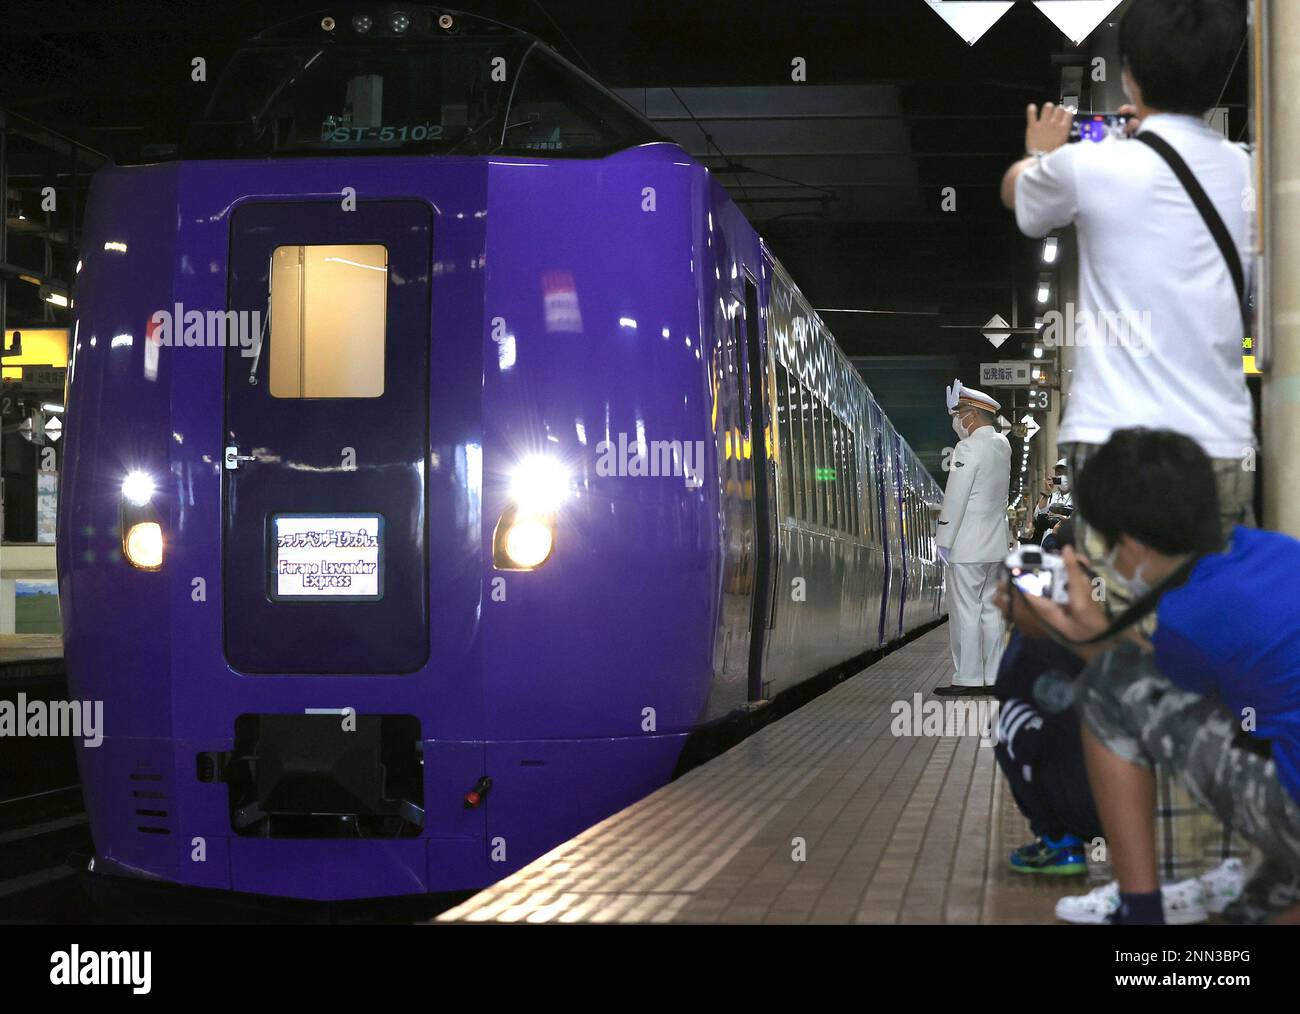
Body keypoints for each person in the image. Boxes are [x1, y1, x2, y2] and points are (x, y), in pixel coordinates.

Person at [1001, 0, 1255, 889]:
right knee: (1211, 662)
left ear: (1130, 79)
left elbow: (1022, 207)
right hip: (1222, 452)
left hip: (1118, 464)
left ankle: (1152, 899)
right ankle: (1210, 866)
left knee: (1121, 666)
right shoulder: (1251, 175)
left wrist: (1044, 148)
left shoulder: (1094, 166)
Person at [1003, 429, 1300, 925]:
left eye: (1107, 545)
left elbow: (1132, 685)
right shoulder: (1274, 551)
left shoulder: (1190, 614)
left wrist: (1060, 629)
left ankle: (1142, 910)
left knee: (1106, 688)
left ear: (1134, 543)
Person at [933, 380, 1012, 697]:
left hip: (967, 546)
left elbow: (956, 497)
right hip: (995, 544)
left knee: (966, 610)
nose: (957, 421)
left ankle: (967, 677)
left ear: (973, 416)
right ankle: (993, 676)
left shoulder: (967, 448)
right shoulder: (1003, 445)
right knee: (991, 611)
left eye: (960, 413)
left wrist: (943, 538)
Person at [1032, 460, 1072, 544]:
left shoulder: (1078, 497)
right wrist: (1047, 492)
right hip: (1050, 543)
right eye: (1058, 474)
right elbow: (1037, 514)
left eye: (1065, 473)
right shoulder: (1051, 496)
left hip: (1069, 543)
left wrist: (1062, 518)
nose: (1061, 476)